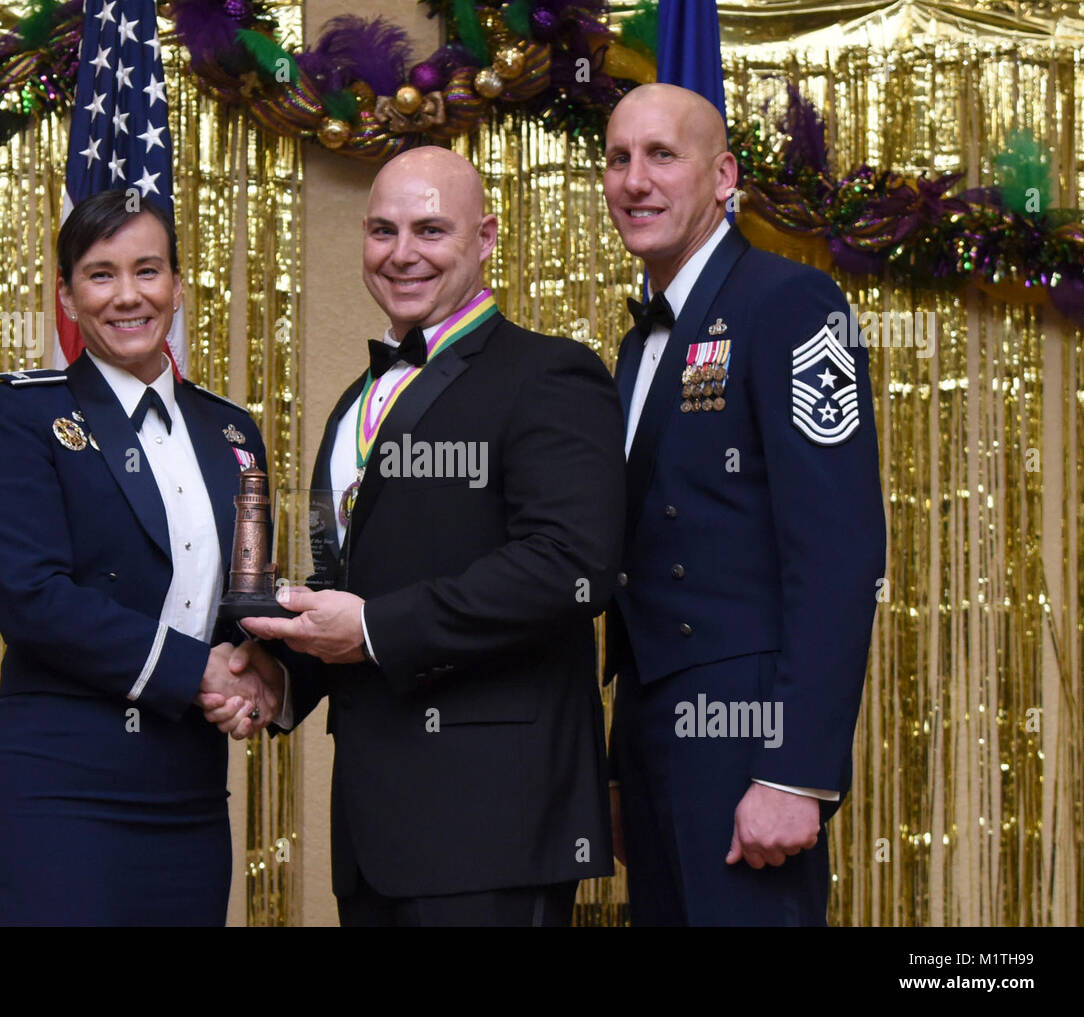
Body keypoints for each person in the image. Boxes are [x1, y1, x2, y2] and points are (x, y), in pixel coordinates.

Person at [228, 146, 626, 927]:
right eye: (382, 229)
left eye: (430, 229)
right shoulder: (354, 403)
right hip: (374, 829)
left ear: (486, 237)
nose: (401, 253)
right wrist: (276, 684)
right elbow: (332, 585)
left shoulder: (552, 374)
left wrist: (374, 628)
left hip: (495, 823)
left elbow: (570, 566)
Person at [600, 84, 887, 926]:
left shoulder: (792, 304)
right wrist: (624, 761)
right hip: (657, 737)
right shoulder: (638, 342)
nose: (635, 180)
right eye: (618, 158)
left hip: (749, 737)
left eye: (662, 155)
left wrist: (797, 769)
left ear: (723, 175)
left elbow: (839, 552)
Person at [0, 187, 284, 926]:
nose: (128, 295)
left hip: (188, 787)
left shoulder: (233, 433)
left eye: (148, 270)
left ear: (176, 285)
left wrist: (263, 675)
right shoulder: (24, 413)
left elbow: (248, 600)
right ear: (67, 297)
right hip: (60, 782)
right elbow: (32, 599)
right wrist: (194, 669)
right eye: (100, 274)